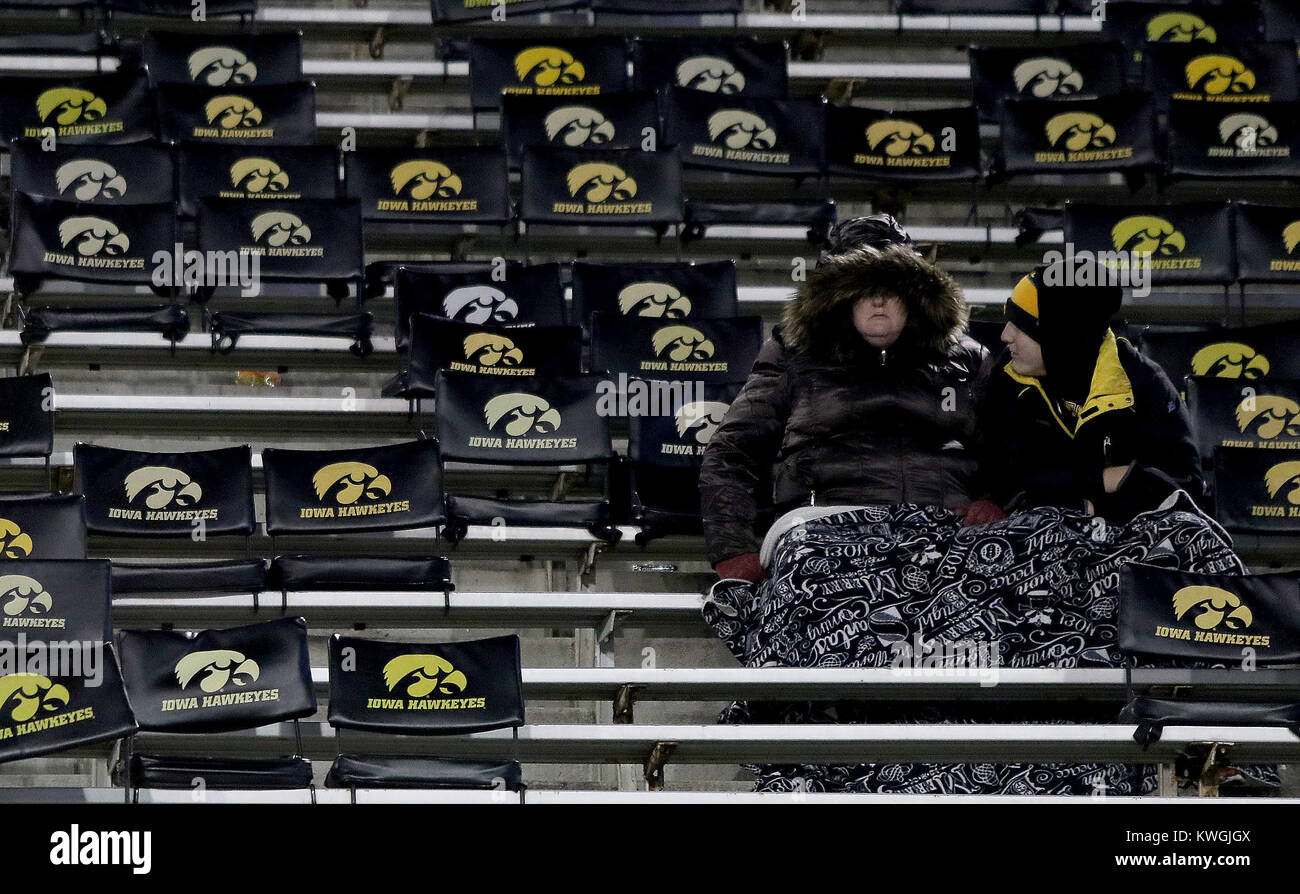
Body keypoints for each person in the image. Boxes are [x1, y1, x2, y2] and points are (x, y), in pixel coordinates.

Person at [699, 221, 988, 582]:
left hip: (944, 531)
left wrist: (994, 502)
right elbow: (731, 452)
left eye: (890, 288)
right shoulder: (792, 355)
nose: (878, 300)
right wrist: (733, 549)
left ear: (915, 296)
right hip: (825, 532)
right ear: (838, 298)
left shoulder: (967, 358)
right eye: (861, 290)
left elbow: (1013, 446)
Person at [972, 265, 1203, 523]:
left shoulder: (1143, 384)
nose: (1005, 335)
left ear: (1061, 336)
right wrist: (1109, 478)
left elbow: (1183, 492)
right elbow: (1002, 479)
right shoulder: (1008, 377)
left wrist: (1091, 505)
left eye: (1021, 325)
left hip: (1125, 549)